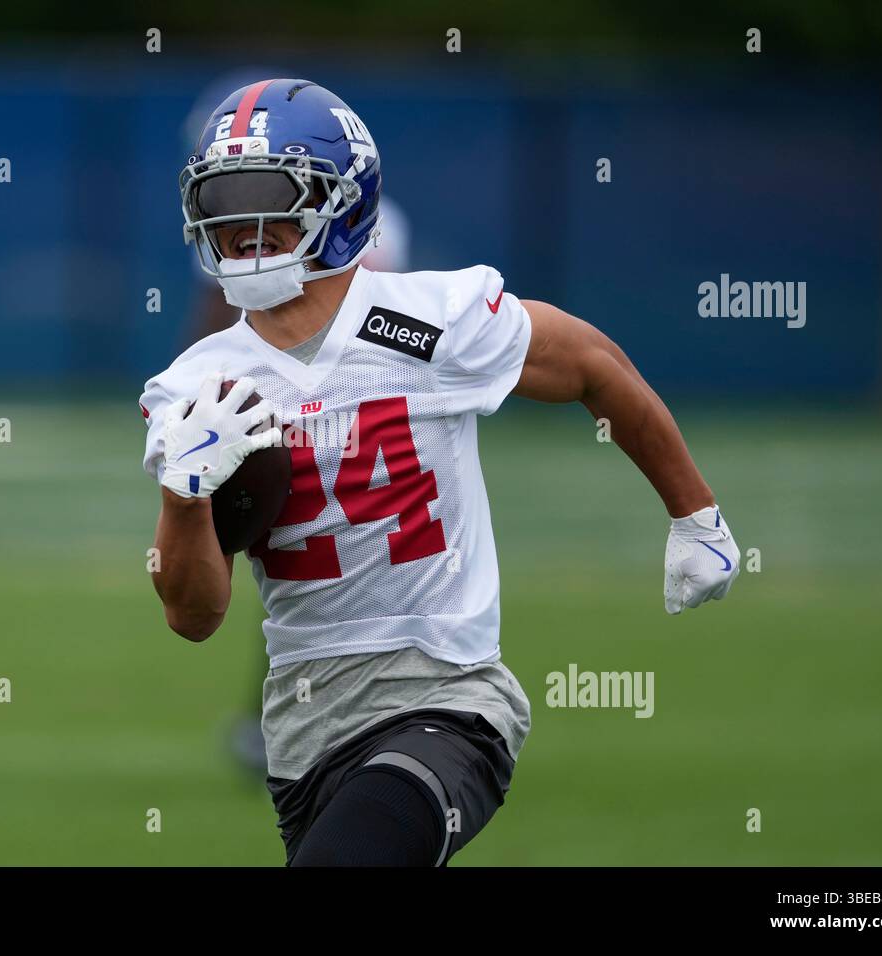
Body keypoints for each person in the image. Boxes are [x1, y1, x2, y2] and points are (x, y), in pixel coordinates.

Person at [139, 79, 740, 866]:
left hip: (448, 696)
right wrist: (185, 498)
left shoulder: (434, 320)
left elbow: (596, 366)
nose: (240, 228)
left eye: (267, 200)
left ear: (340, 200)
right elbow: (194, 617)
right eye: (221, 202)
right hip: (306, 721)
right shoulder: (193, 386)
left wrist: (694, 514)